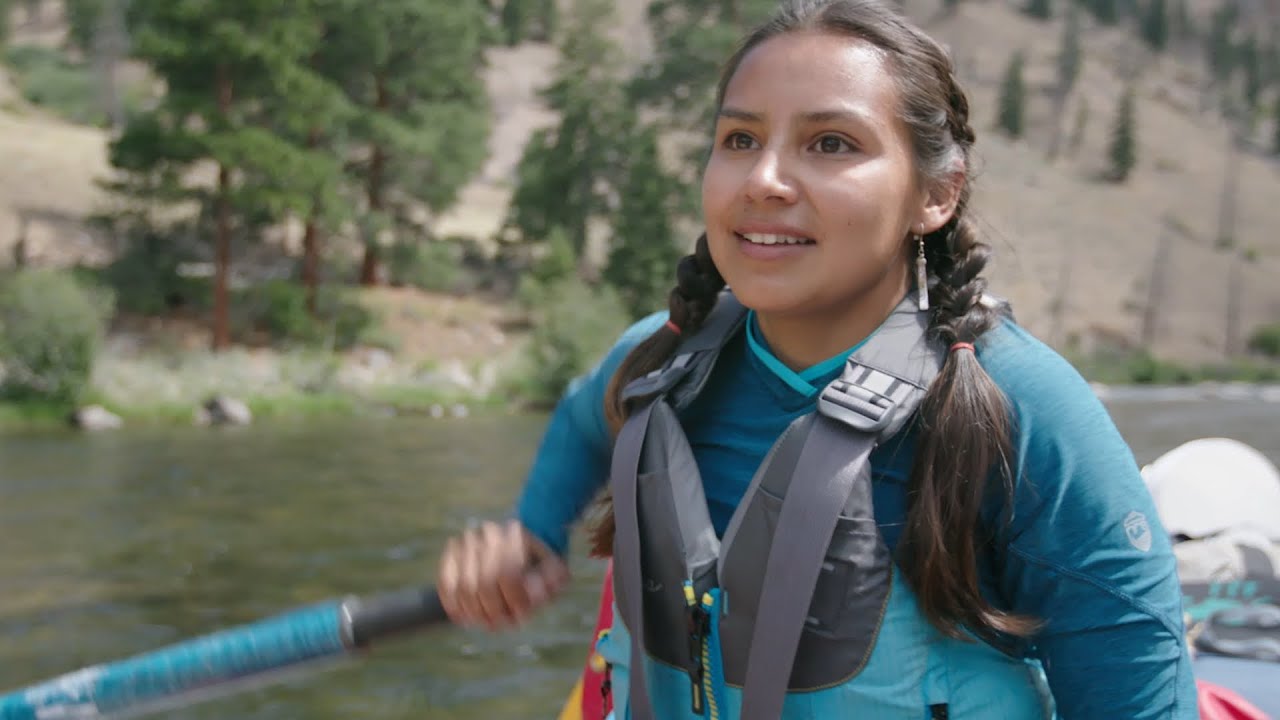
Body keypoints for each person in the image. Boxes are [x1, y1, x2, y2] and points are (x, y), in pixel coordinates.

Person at [436, 0, 1199, 717]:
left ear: (936, 194)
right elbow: (584, 418)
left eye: (831, 143)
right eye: (740, 140)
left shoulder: (1024, 407)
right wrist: (533, 531)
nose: (763, 180)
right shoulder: (655, 360)